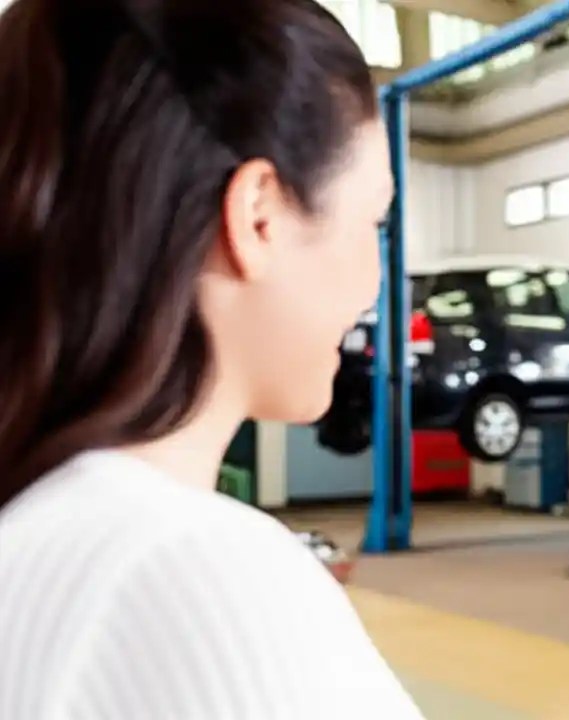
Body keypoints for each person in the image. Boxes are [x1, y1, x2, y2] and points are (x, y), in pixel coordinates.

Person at [0, 0, 424, 717]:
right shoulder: (187, 567)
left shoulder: (36, 525)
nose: (374, 285)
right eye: (372, 223)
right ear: (258, 215)